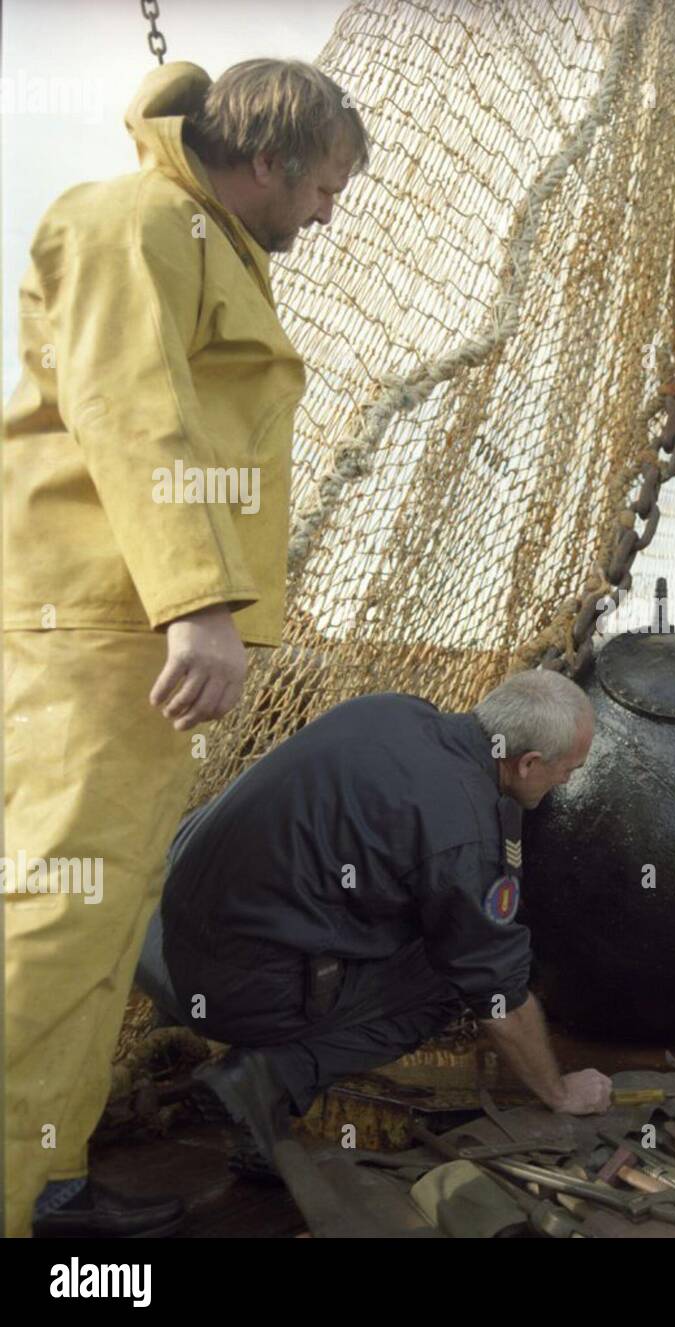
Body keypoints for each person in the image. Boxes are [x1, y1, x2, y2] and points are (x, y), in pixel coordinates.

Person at [3, 58, 368, 1238]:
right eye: (323, 185)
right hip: (108, 627)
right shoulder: (134, 219)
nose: (327, 210)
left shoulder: (206, 243)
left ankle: (40, 1178)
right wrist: (196, 603)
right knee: (54, 916)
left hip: (135, 638)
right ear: (269, 159)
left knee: (100, 924)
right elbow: (130, 406)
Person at [144, 671, 612, 1183]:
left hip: (153, 928)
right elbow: (497, 997)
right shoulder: (463, 836)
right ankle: (266, 1077)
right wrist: (560, 1093)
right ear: (527, 763)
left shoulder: (395, 709)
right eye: (567, 771)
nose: (566, 783)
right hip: (228, 986)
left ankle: (177, 1028)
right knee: (451, 982)